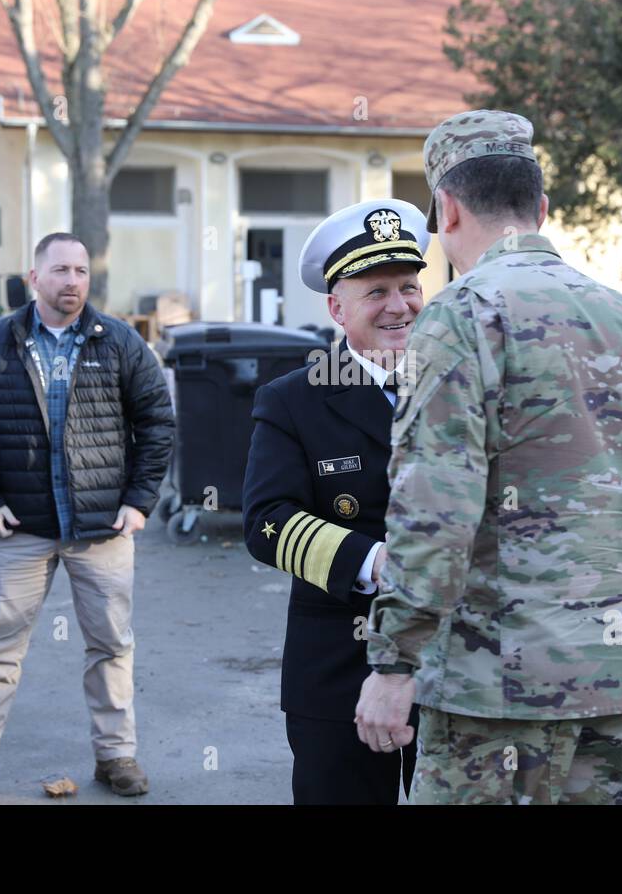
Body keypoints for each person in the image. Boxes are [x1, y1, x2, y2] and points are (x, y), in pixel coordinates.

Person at [354, 110, 622, 804]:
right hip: (619, 680)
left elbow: (436, 512)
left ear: (447, 209)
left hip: (500, 691)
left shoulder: (458, 318)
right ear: (541, 208)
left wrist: (393, 664)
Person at [0, 231, 174, 804]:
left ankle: (115, 756)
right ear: (34, 278)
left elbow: (157, 422)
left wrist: (137, 501)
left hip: (102, 528)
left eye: (81, 272)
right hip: (22, 530)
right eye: (60, 271)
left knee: (110, 645)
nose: (72, 282)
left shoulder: (121, 343)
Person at [242, 198, 430, 804]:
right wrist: (376, 563)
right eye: (376, 290)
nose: (399, 306)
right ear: (336, 307)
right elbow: (267, 522)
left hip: (452, 660)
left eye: (408, 286)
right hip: (339, 663)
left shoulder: (461, 382)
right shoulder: (292, 400)